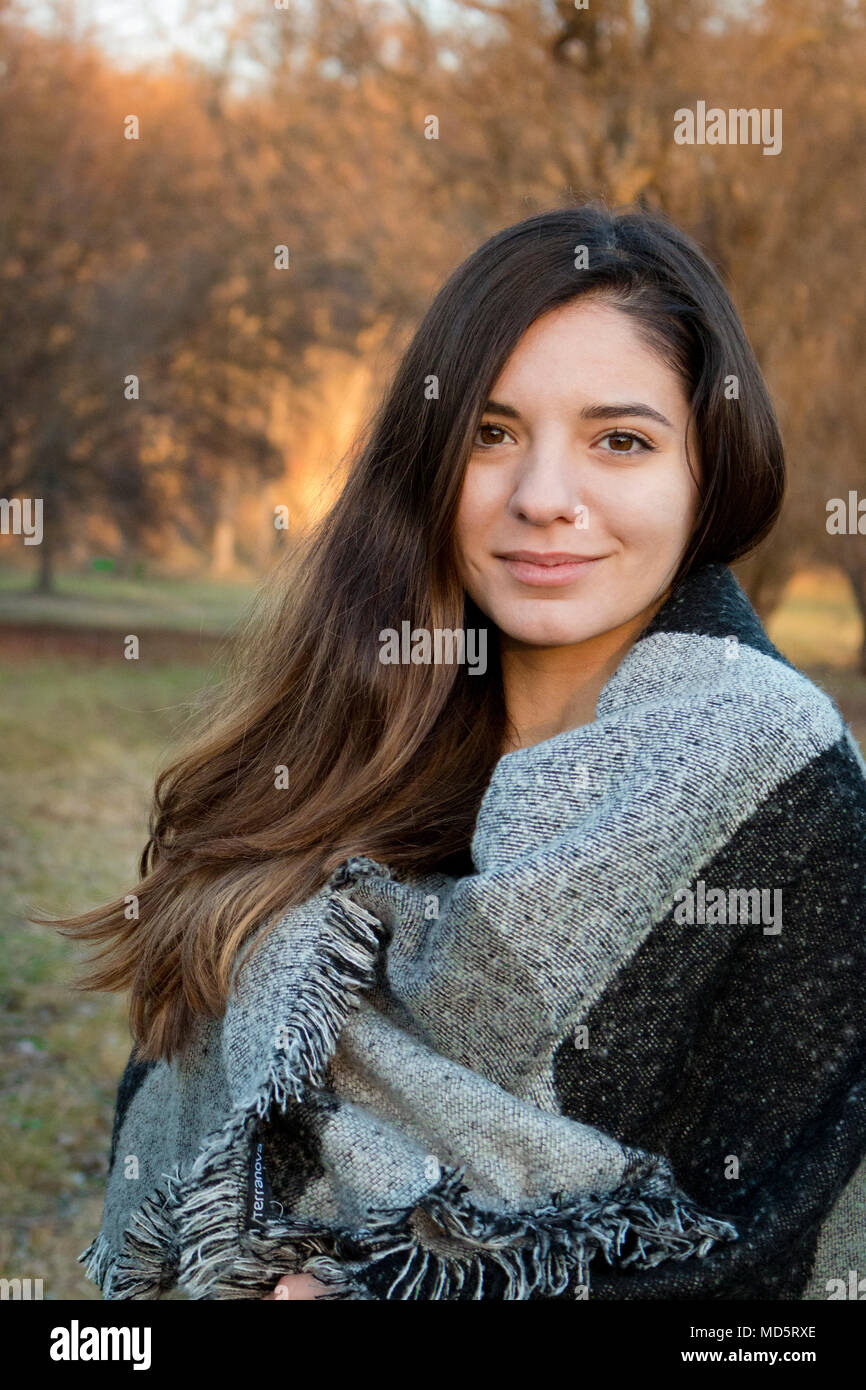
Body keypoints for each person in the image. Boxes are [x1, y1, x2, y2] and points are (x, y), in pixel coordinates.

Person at [54, 204, 866, 1300]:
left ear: (705, 470)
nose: (540, 498)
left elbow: (777, 1248)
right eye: (490, 433)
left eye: (618, 440)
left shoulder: (773, 783)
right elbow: (177, 1128)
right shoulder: (345, 746)